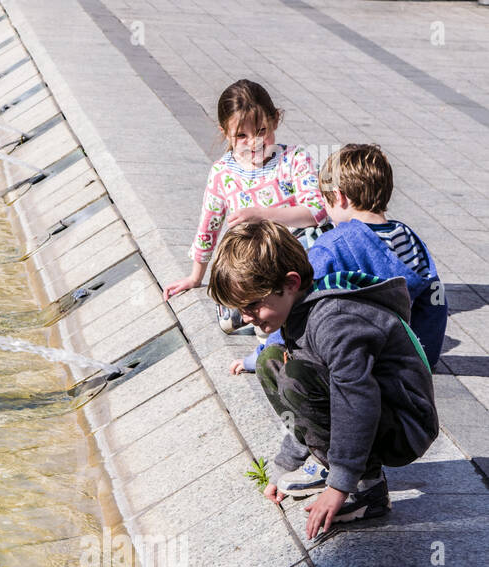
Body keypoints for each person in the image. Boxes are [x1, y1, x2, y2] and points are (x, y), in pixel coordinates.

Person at [208, 220, 438, 540]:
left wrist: (340, 485)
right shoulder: (298, 314)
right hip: (375, 412)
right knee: (270, 363)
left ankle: (367, 489)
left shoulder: (332, 321)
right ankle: (329, 463)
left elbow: (355, 399)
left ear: (290, 283)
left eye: (251, 305)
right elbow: (307, 406)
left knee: (297, 374)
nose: (245, 318)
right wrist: (286, 463)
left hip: (405, 424)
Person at [227, 143, 448, 374]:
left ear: (338, 197)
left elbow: (294, 301)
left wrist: (260, 356)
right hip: (398, 354)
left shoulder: (333, 245)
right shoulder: (410, 239)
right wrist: (424, 358)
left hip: (349, 356)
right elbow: (435, 300)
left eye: (326, 201)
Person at [162, 79, 329, 335]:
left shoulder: (294, 159)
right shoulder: (222, 172)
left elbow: (316, 213)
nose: (254, 143)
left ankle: (280, 314)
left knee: (315, 241)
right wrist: (195, 277)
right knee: (232, 300)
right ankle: (252, 311)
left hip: (291, 256)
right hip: (250, 262)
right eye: (241, 135)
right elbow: (209, 226)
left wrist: (263, 215)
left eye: (261, 131)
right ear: (225, 133)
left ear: (275, 120)